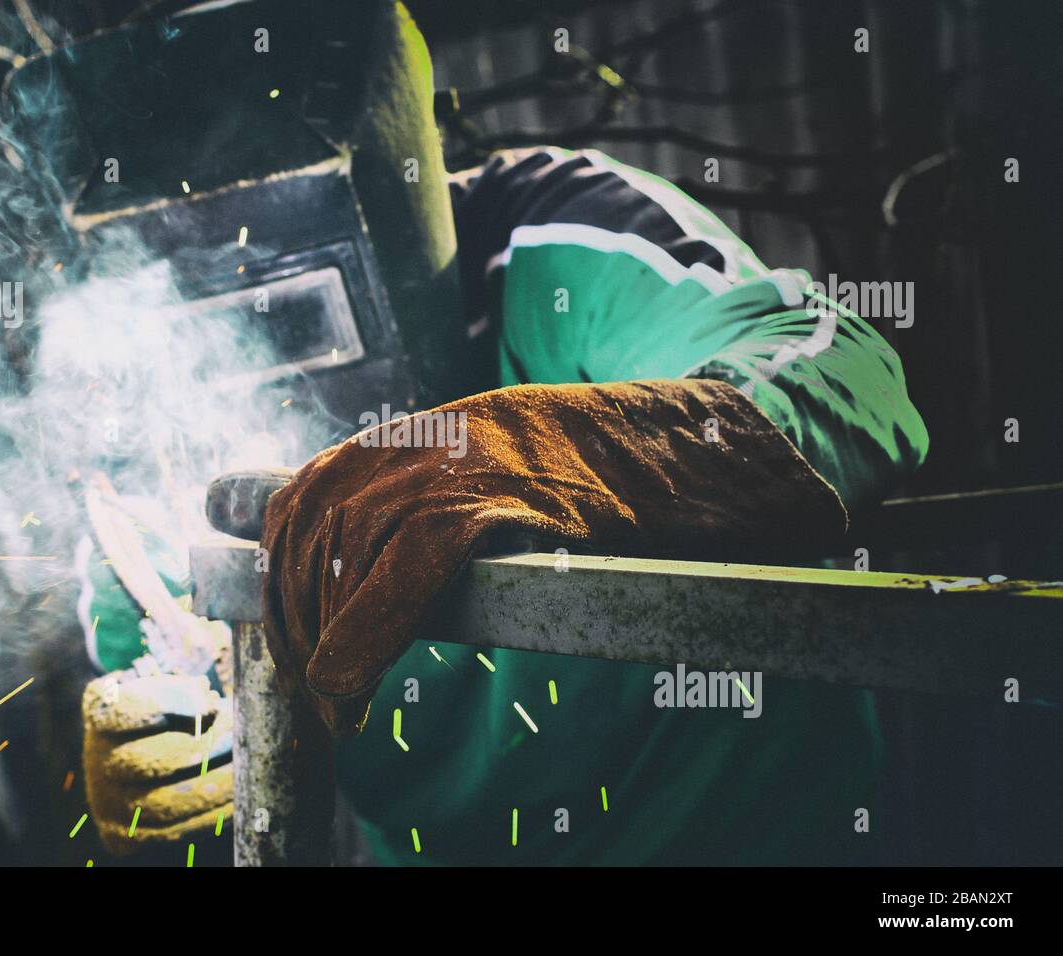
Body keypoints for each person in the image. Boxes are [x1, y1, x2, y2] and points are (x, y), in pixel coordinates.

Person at [76, 3, 927, 866]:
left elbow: (848, 379)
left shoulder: (556, 235)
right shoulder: (143, 404)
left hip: (756, 836)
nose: (268, 373)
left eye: (299, 313)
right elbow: (158, 665)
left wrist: (521, 454)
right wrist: (163, 754)